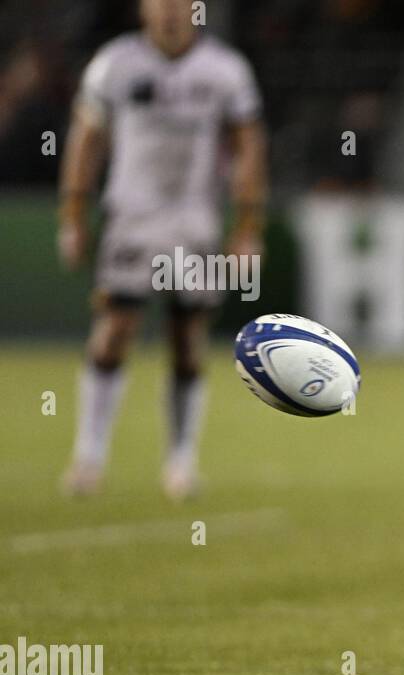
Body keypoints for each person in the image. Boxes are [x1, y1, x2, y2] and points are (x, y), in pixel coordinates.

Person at [58, 0, 267, 500]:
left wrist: (246, 227)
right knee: (113, 332)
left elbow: (249, 148)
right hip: (130, 219)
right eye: (160, 2)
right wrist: (73, 216)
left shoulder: (226, 71)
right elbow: (85, 141)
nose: (170, 12)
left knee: (187, 337)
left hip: (194, 221)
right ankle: (89, 457)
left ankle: (181, 461)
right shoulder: (114, 64)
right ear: (143, 9)